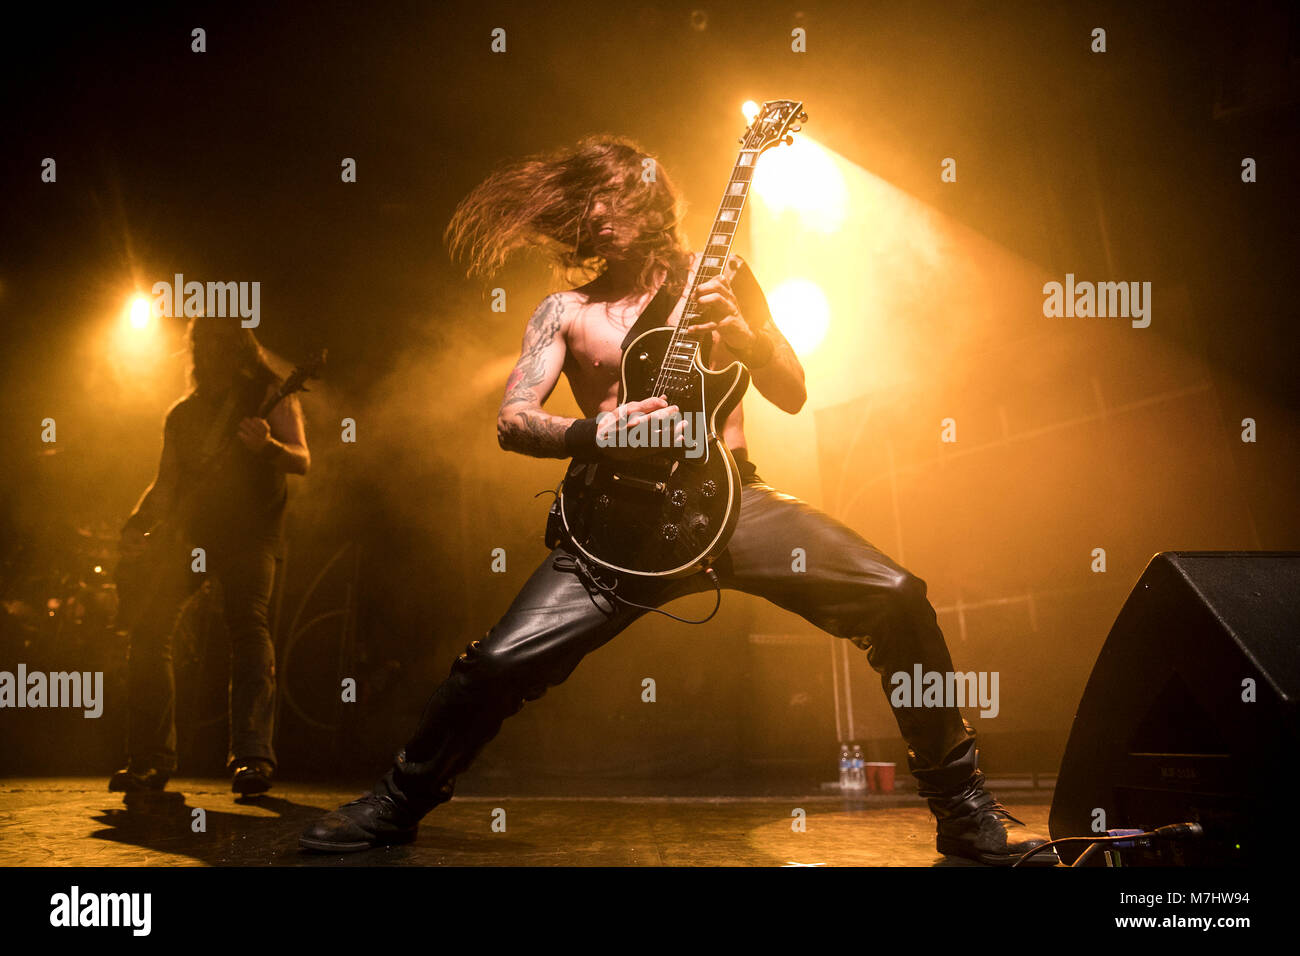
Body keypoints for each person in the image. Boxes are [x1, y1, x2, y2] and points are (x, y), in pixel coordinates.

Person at [300, 136, 1053, 864]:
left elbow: (791, 393)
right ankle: (396, 805)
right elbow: (513, 420)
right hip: (612, 527)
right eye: (584, 201)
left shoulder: (723, 273)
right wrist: (593, 432)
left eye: (609, 195)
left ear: (649, 194)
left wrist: (749, 340)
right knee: (494, 664)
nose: (595, 214)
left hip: (732, 507)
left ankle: (963, 810)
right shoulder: (563, 310)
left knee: (896, 595)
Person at [111, 315, 309, 796]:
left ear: (239, 345)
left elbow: (301, 459)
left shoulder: (270, 394)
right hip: (196, 537)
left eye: (216, 341)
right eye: (199, 342)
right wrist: (138, 522)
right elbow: (166, 486)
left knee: (248, 629)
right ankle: (149, 760)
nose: (206, 350)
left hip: (252, 534)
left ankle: (252, 759)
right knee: (150, 626)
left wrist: (267, 447)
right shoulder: (183, 413)